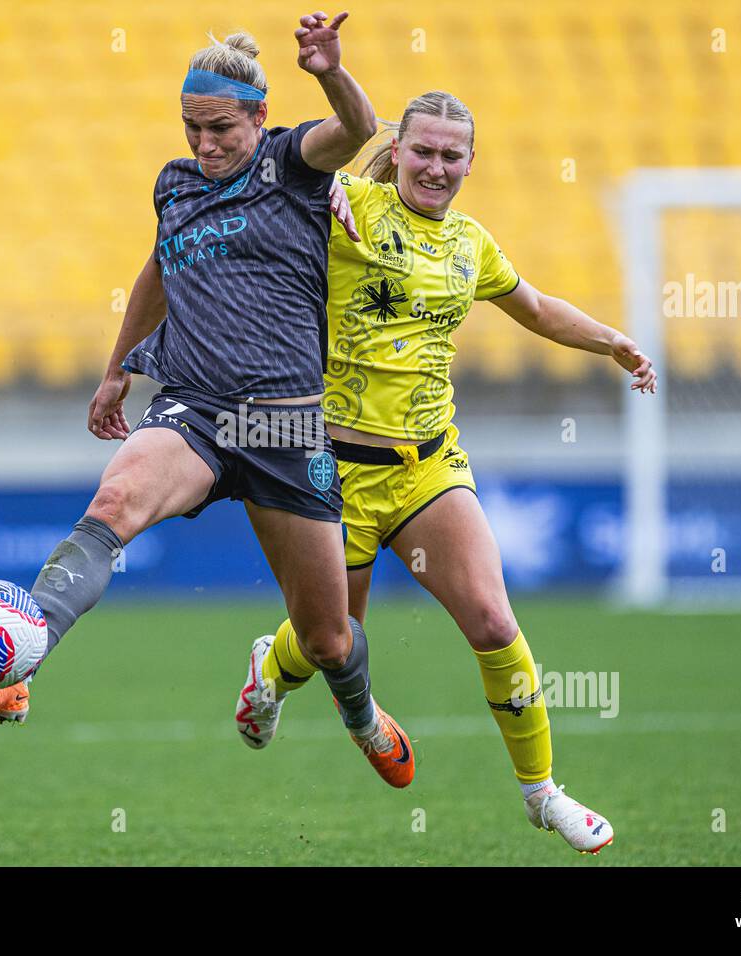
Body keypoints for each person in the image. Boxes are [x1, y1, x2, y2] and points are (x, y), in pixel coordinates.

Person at [0, 15, 417, 788]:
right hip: (195, 411)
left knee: (328, 640)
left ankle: (362, 715)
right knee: (114, 502)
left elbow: (361, 127)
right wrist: (117, 371)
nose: (204, 144)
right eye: (191, 127)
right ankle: (16, 669)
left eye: (220, 128)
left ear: (259, 116)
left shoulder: (292, 162)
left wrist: (330, 71)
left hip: (287, 426)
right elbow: (159, 269)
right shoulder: (175, 184)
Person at [237, 90, 658, 852]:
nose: (436, 167)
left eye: (451, 155)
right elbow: (273, 186)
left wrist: (612, 343)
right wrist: (313, 187)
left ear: (470, 162)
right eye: (423, 151)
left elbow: (535, 308)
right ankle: (271, 671)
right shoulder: (348, 206)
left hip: (428, 468)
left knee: (494, 622)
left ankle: (542, 793)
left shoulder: (471, 243)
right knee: (334, 642)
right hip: (333, 472)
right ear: (397, 150)